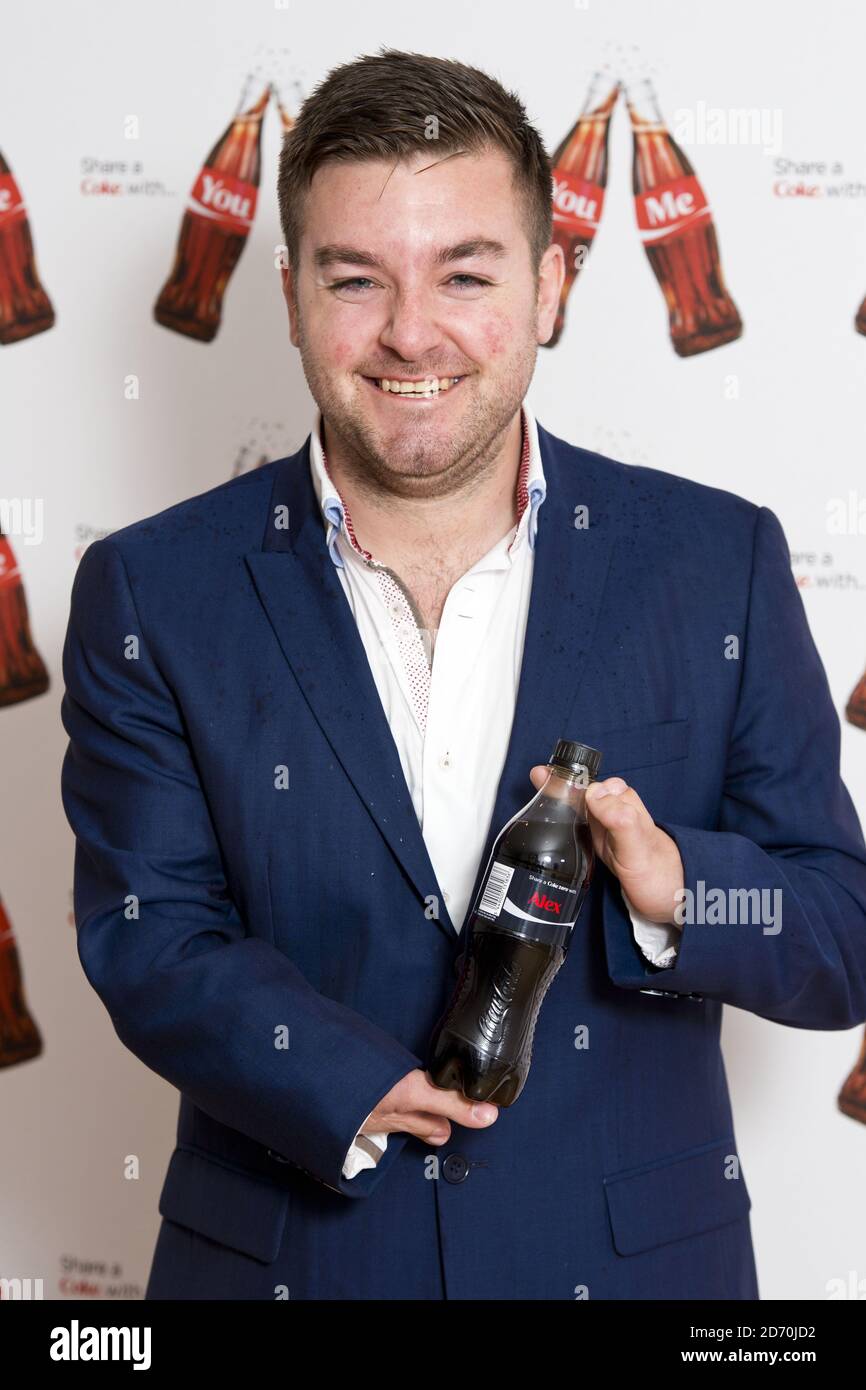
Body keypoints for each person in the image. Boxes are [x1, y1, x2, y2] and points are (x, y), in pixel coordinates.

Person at [60, 48, 866, 1301]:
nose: (409, 332)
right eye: (354, 278)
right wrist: (338, 1079)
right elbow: (147, 935)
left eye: (465, 273)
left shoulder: (719, 564)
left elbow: (833, 930)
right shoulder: (152, 591)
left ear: (551, 283)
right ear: (285, 294)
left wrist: (679, 894)